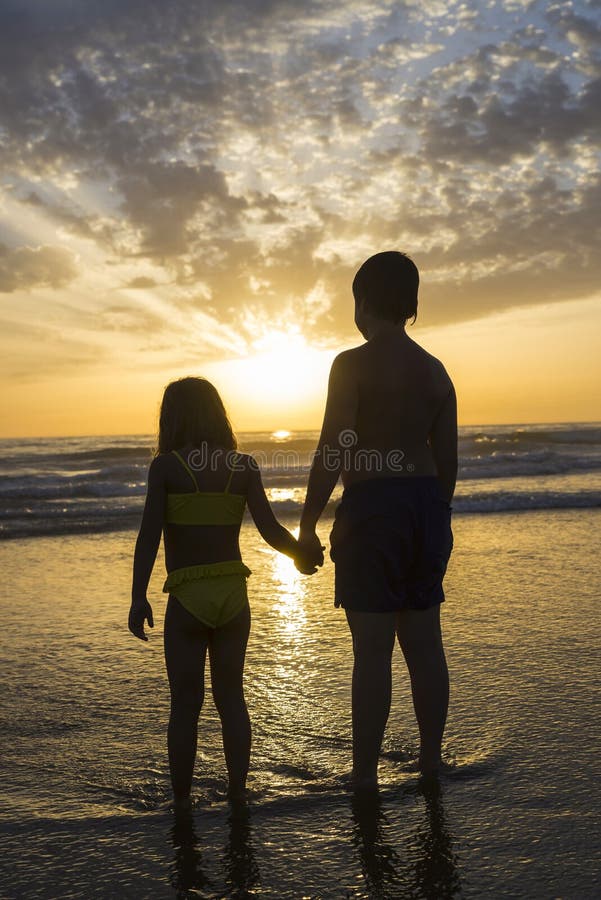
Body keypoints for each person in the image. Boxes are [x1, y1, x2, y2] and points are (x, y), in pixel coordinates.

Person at [297, 251, 457, 789]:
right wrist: (441, 515)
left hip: (373, 510)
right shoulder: (436, 372)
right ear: (410, 305)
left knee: (371, 652)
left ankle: (364, 774)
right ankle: (431, 761)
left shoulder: (351, 364)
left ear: (363, 303)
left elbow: (335, 445)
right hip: (425, 507)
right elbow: (448, 461)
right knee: (425, 644)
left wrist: (308, 523)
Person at [128, 377, 322, 809]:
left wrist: (139, 596)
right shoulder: (243, 466)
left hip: (188, 597)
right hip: (234, 597)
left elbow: (149, 536)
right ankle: (237, 792)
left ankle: (181, 802)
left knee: (185, 706)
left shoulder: (166, 467)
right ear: (218, 414)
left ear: (172, 417)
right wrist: (300, 555)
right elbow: (269, 528)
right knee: (231, 699)